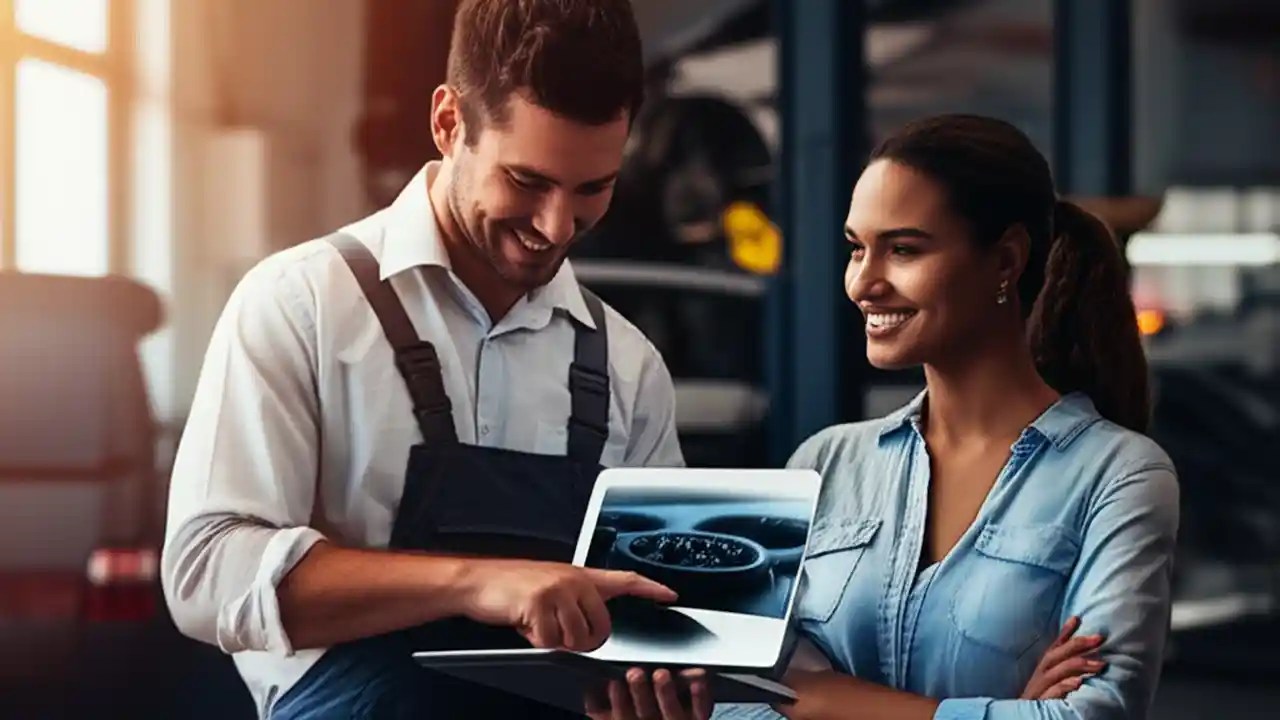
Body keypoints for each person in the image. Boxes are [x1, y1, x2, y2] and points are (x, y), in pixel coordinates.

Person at [160, 1, 688, 718]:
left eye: (592, 188)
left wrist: (659, 684)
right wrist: (478, 583)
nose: (557, 225)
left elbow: (662, 616)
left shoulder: (629, 366)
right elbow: (205, 573)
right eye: (528, 181)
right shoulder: (300, 305)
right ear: (448, 123)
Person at [595, 114, 1179, 720]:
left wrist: (821, 698)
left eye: (903, 249)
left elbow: (1091, 716)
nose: (863, 284)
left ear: (1005, 260)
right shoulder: (828, 461)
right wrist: (996, 711)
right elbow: (741, 705)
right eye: (857, 249)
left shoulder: (1118, 475)